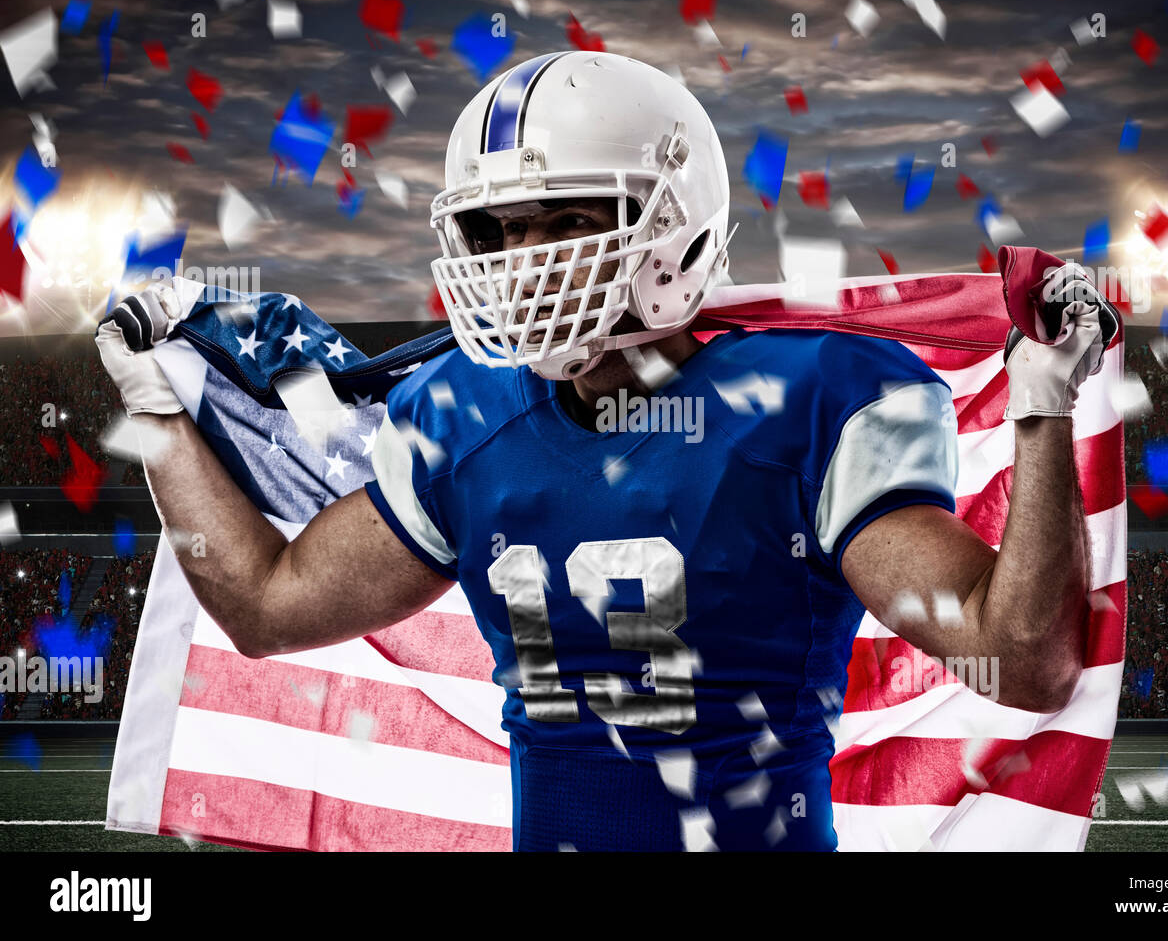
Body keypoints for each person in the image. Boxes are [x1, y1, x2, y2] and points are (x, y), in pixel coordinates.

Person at [95, 51, 1111, 851]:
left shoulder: (802, 404)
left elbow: (1019, 658)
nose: (522, 266)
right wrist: (157, 416)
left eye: (566, 223)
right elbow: (268, 605)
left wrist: (1040, 411)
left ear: (672, 229)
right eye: (495, 232)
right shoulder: (463, 414)